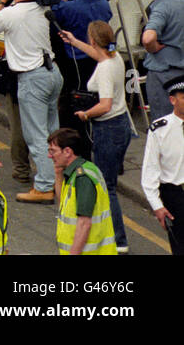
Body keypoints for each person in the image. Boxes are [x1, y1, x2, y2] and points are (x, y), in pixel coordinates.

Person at [0, 0, 62, 203]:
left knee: (36, 135)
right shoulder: (41, 9)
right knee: (52, 132)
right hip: (52, 73)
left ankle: (45, 186)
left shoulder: (9, 13)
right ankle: (58, 180)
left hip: (31, 78)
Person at [59, 20, 130, 252]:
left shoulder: (107, 68)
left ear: (93, 39)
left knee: (106, 186)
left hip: (108, 129)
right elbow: (97, 54)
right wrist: (74, 41)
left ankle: (119, 241)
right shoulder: (113, 56)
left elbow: (106, 105)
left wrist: (86, 113)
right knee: (108, 182)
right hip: (120, 127)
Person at [48, 127, 117, 255]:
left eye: (53, 151)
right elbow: (62, 201)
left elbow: (84, 223)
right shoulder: (78, 171)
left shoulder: (82, 178)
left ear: (67, 151)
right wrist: (58, 174)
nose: (49, 155)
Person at [141, 74, 184, 255]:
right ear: (172, 100)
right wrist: (157, 205)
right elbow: (150, 170)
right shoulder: (160, 129)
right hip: (176, 196)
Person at [140, 0, 184, 121]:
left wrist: (152, 48)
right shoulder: (181, 1)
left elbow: (148, 38)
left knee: (164, 124)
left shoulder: (160, 8)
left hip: (163, 75)